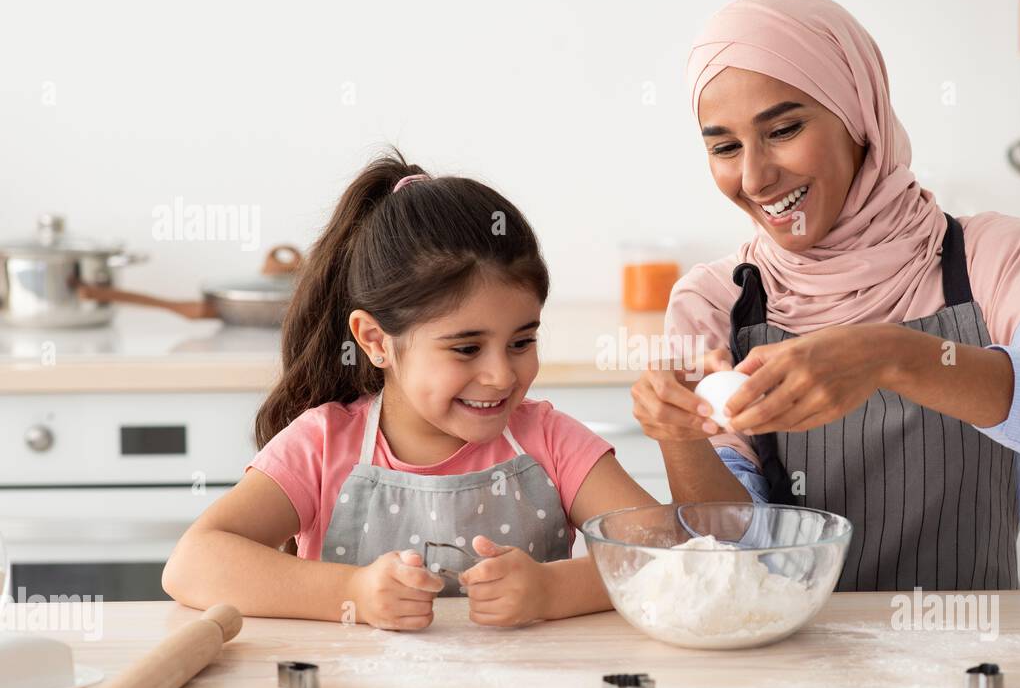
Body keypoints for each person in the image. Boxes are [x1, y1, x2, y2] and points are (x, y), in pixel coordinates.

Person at [632, 0, 1020, 591]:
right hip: (786, 667)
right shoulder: (717, 299)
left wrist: (891, 356)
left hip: (972, 661)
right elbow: (728, 559)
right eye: (724, 147)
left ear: (858, 114)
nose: (753, 177)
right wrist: (681, 435)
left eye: (784, 129)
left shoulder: (989, 258)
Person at [164, 151, 658, 629]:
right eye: (466, 349)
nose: (502, 376)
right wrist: (352, 593)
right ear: (376, 341)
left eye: (522, 341)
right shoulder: (322, 444)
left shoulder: (549, 441)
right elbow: (192, 563)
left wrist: (553, 591)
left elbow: (665, 552)